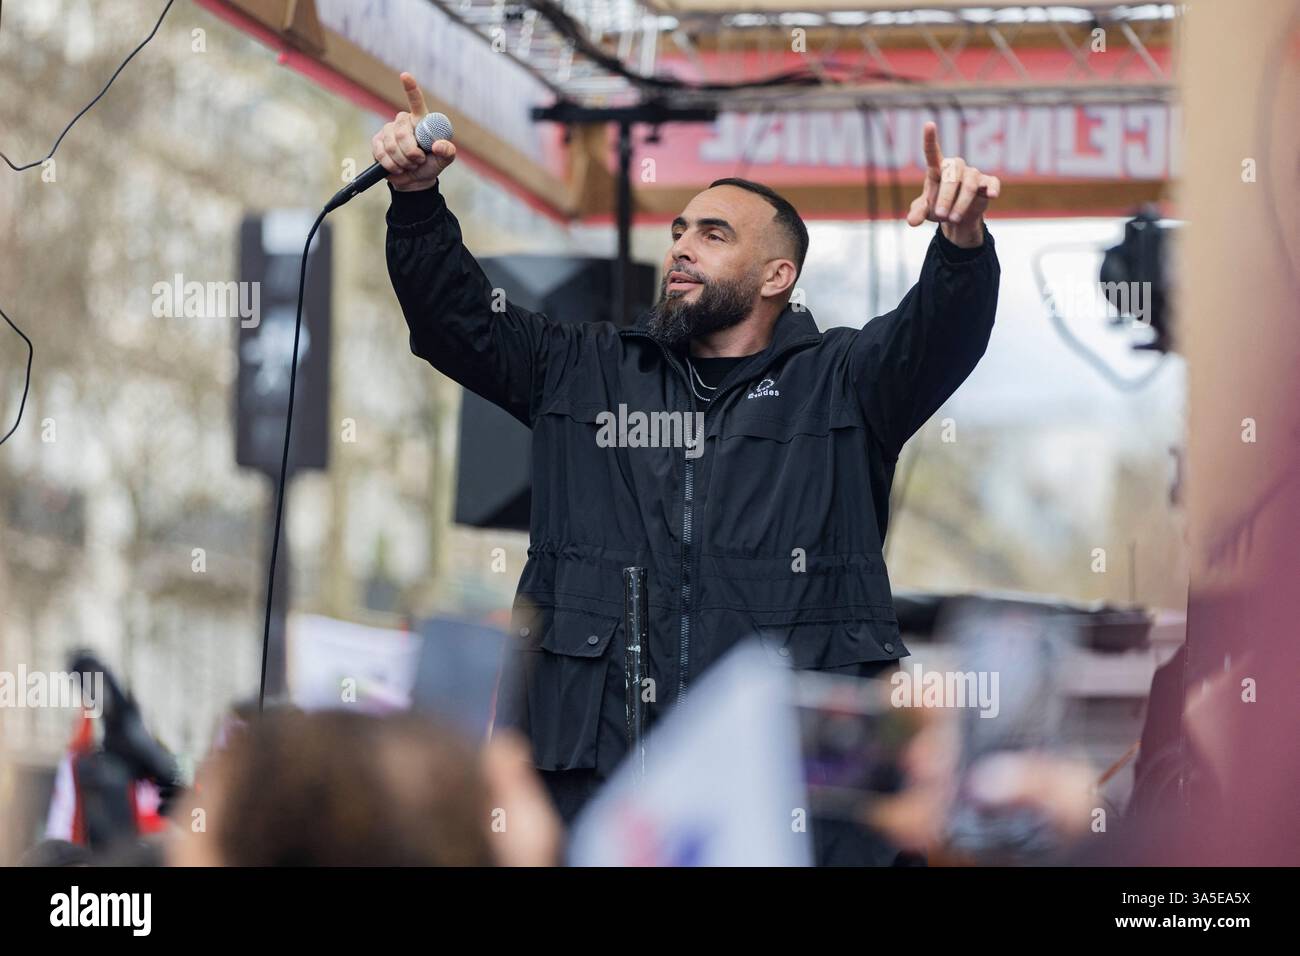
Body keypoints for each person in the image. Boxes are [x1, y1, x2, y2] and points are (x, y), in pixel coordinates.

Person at [378, 72, 1001, 864]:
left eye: (713, 234)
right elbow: (455, 320)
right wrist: (418, 201)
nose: (681, 245)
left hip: (788, 810)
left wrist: (961, 247)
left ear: (777, 276)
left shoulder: (845, 383)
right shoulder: (583, 370)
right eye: (679, 229)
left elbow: (941, 333)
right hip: (601, 795)